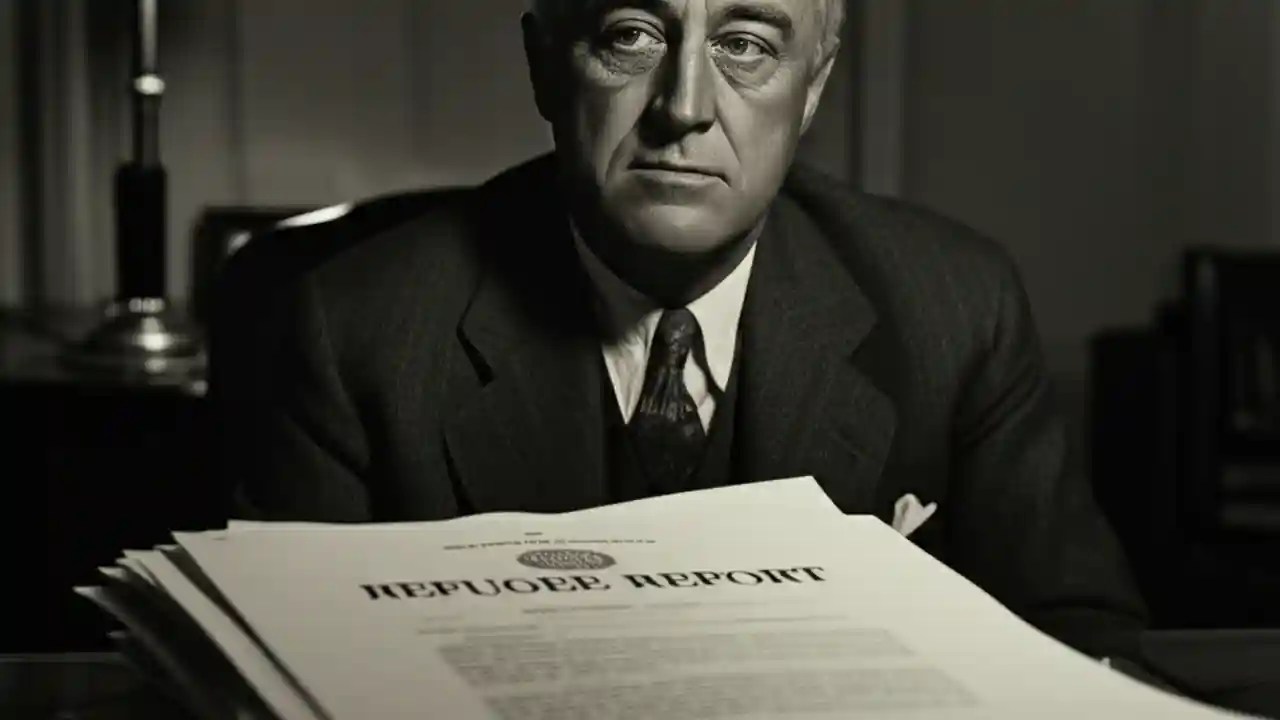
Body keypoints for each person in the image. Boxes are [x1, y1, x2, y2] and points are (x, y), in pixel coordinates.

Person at [211, 0, 1148, 665]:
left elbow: (1079, 641)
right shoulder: (357, 328)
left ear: (813, 86)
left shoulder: (954, 304)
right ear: (544, 63)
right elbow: (273, 682)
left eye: (745, 44)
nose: (685, 104)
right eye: (632, 34)